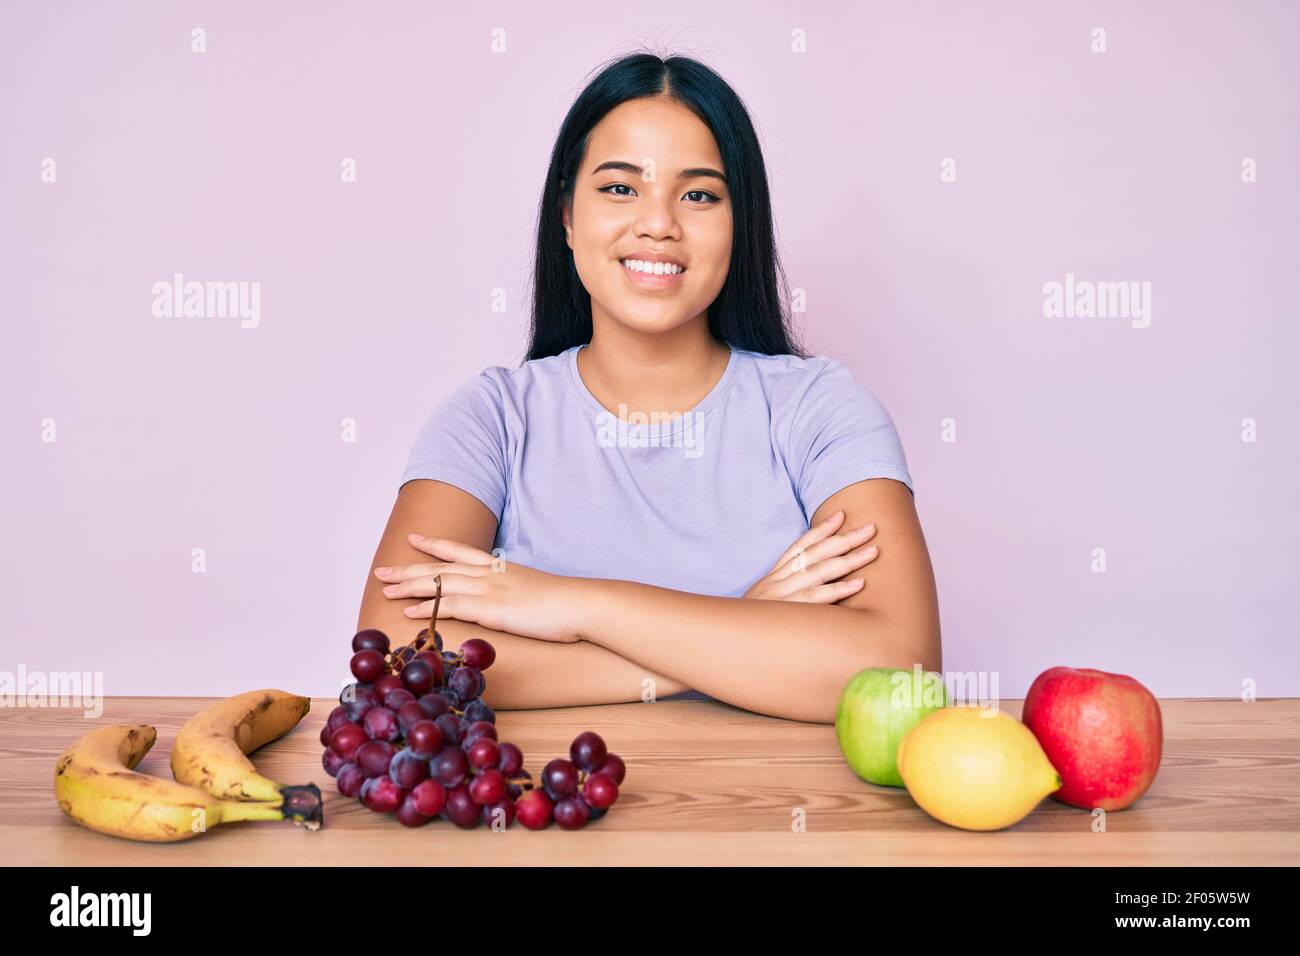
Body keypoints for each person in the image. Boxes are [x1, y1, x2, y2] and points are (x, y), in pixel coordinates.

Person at [357, 52, 940, 723]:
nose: (659, 223)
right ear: (568, 220)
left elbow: (902, 669)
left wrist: (573, 604)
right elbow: (398, 664)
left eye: (699, 194)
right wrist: (742, 629)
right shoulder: (490, 418)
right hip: (555, 815)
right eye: (619, 188)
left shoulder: (821, 409)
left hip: (773, 814)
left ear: (738, 224)